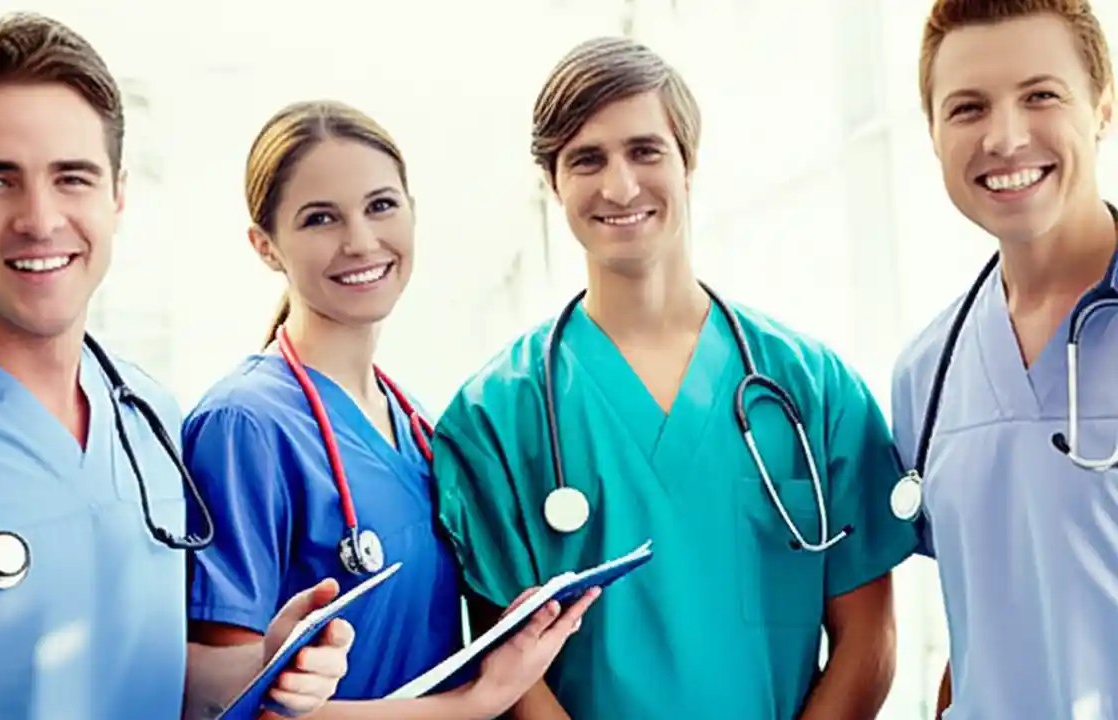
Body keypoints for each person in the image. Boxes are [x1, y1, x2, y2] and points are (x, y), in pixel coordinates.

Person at [0, 14, 351, 720]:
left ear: (117, 196)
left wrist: (267, 665)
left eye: (72, 178)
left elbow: (160, 685)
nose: (40, 218)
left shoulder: (148, 414)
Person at [430, 37, 920, 719]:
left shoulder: (814, 388)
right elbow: (509, 674)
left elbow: (870, 639)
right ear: (552, 182)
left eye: (645, 151)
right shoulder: (494, 420)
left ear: (689, 162)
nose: (620, 186)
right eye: (586, 160)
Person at [179, 99, 599, 720]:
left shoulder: (417, 427)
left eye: (381, 206)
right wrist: (477, 701)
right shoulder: (245, 426)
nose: (360, 241)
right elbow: (227, 703)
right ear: (266, 247)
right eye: (320, 218)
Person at [892, 1, 1118, 717]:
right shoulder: (927, 372)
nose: (1005, 137)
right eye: (967, 108)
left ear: (1103, 107)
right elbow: (985, 629)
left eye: (1040, 96)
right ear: (932, 135)